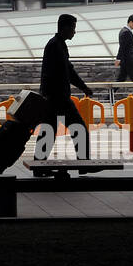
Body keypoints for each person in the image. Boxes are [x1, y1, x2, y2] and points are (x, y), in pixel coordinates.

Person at [39, 13, 94, 159]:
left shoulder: (58, 45)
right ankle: (84, 163)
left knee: (48, 131)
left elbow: (68, 70)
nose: (74, 32)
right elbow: (67, 72)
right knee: (79, 129)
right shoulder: (55, 46)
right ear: (65, 28)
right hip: (58, 97)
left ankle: (39, 165)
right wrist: (83, 87)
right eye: (73, 28)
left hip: (53, 97)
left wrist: (83, 87)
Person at [115, 14, 133, 82]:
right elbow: (122, 47)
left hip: (126, 61)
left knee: (121, 79)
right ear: (131, 22)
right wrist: (118, 58)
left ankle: (112, 91)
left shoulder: (123, 31)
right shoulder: (126, 32)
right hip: (129, 61)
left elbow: (128, 46)